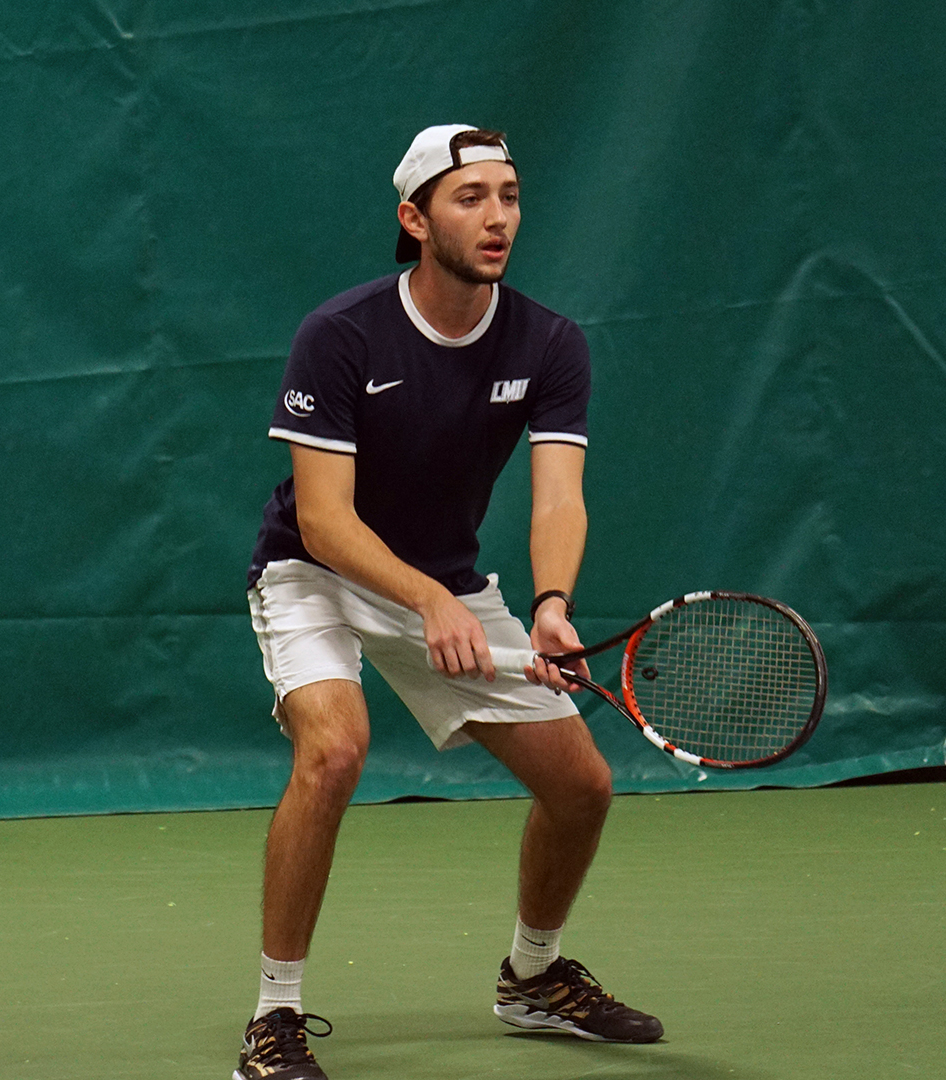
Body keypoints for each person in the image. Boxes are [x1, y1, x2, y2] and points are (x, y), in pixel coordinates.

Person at [233, 125, 662, 1080]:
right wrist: (429, 601)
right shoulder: (341, 335)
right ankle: (275, 1019)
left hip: (452, 587)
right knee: (334, 749)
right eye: (470, 197)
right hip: (315, 573)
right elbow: (326, 519)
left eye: (509, 194)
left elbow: (558, 496)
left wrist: (552, 604)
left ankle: (533, 979)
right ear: (414, 217)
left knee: (582, 785)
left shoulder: (549, 342)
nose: (498, 216)